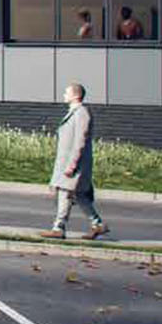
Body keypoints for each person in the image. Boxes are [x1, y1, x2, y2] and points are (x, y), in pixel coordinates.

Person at [41, 82, 107, 239]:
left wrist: (72, 165)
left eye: (66, 92)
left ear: (76, 95)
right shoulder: (74, 112)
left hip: (75, 164)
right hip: (68, 163)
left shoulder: (81, 113)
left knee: (65, 192)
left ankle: (59, 227)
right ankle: (97, 224)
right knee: (78, 196)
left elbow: (80, 141)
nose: (64, 95)